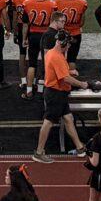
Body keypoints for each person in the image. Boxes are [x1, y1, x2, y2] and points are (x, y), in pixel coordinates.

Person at [32, 32, 90, 162]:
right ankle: (39, 152)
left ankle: (80, 148)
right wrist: (82, 84)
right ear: (63, 43)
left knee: (68, 118)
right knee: (48, 122)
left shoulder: (51, 53)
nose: (69, 46)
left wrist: (69, 71)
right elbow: (65, 78)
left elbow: (58, 71)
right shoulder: (57, 56)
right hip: (56, 93)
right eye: (68, 44)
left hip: (58, 93)